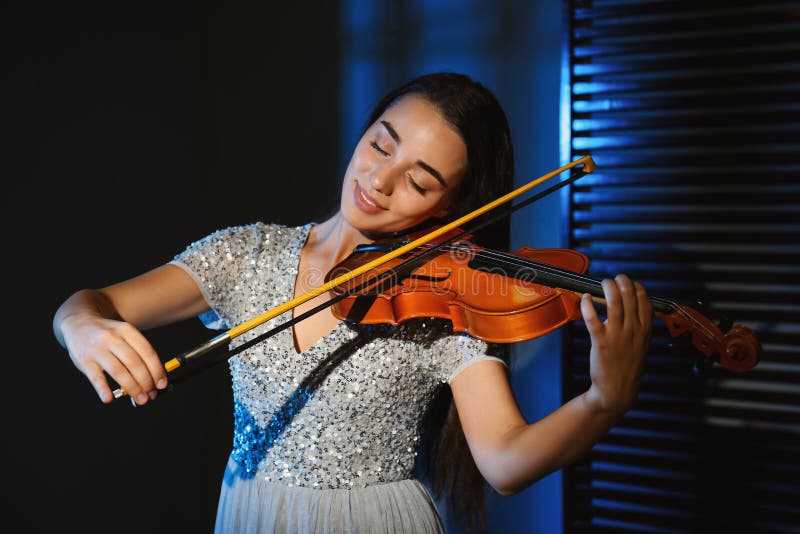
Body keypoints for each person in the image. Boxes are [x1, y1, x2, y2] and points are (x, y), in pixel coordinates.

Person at [53, 72, 652, 533]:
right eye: (379, 145)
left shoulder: (443, 302)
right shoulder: (246, 255)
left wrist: (603, 401)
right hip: (250, 513)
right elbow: (93, 302)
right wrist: (81, 326)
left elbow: (504, 461)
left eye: (419, 182)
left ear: (448, 208)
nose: (380, 182)